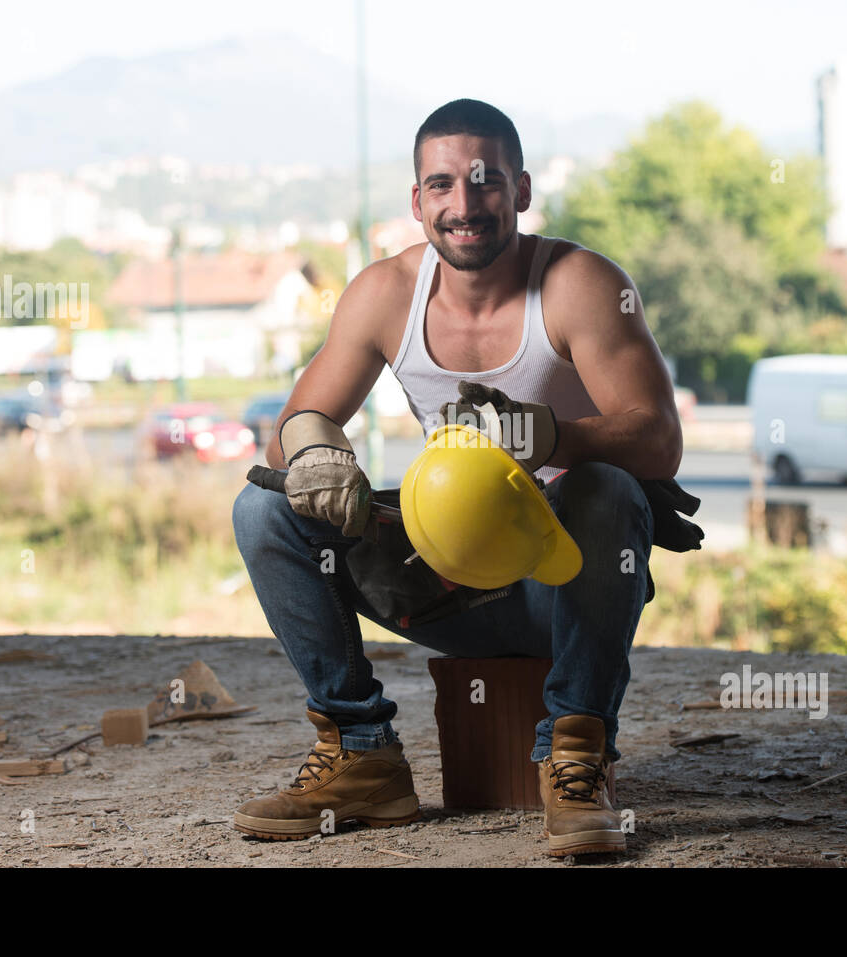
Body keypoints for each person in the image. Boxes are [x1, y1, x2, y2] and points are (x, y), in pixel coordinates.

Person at [231, 98, 685, 857]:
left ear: (522, 189)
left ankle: (576, 756)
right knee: (262, 510)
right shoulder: (384, 294)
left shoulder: (580, 284)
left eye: (485, 181)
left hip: (561, 581)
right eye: (442, 185)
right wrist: (314, 452)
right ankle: (363, 753)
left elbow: (660, 439)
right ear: (417, 201)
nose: (464, 205)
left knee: (605, 488)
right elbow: (298, 419)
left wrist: (549, 435)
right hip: (438, 576)